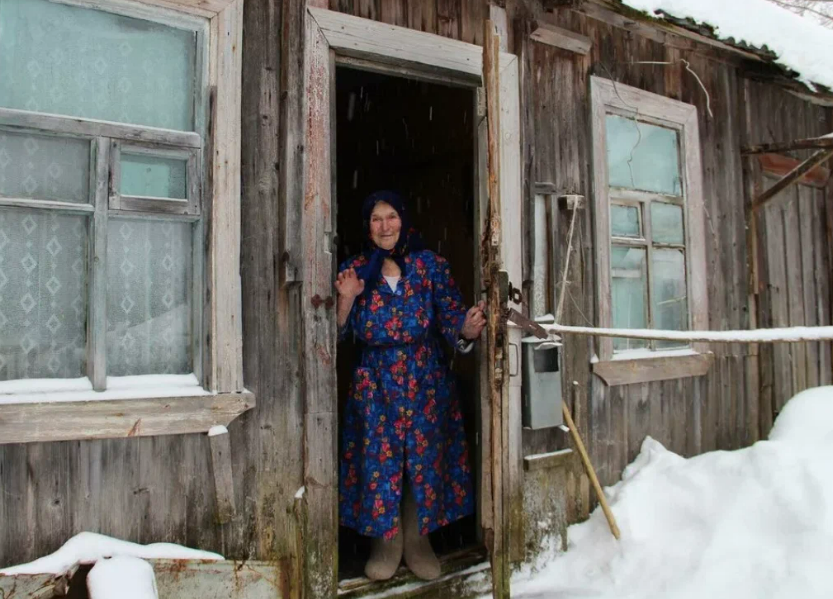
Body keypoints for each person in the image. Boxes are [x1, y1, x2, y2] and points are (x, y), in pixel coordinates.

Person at [335, 190, 486, 582]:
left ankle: (419, 541)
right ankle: (385, 545)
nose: (384, 226)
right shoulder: (354, 270)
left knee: (423, 461)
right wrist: (347, 300)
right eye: (375, 219)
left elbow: (452, 319)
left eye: (391, 217)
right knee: (381, 464)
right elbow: (333, 335)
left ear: (403, 219)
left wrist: (466, 330)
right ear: (367, 226)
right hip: (376, 383)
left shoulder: (430, 266)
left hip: (425, 380)